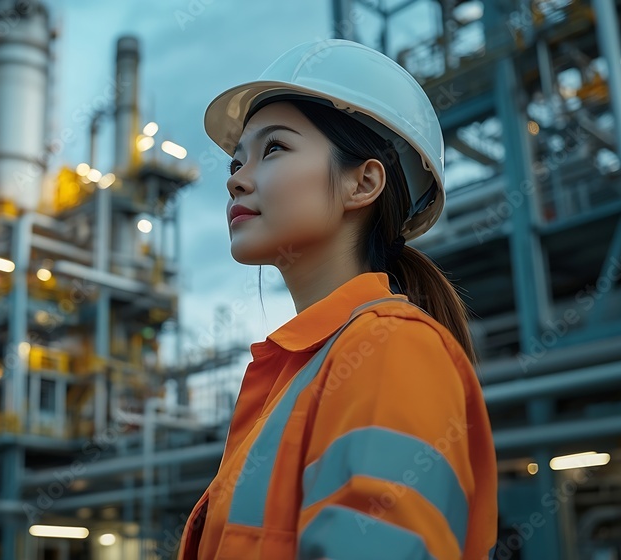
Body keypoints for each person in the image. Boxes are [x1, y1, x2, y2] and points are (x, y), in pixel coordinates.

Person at [176, 39, 499, 559]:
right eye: (235, 162)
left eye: (273, 149)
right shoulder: (293, 376)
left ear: (363, 183)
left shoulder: (391, 347)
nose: (235, 180)